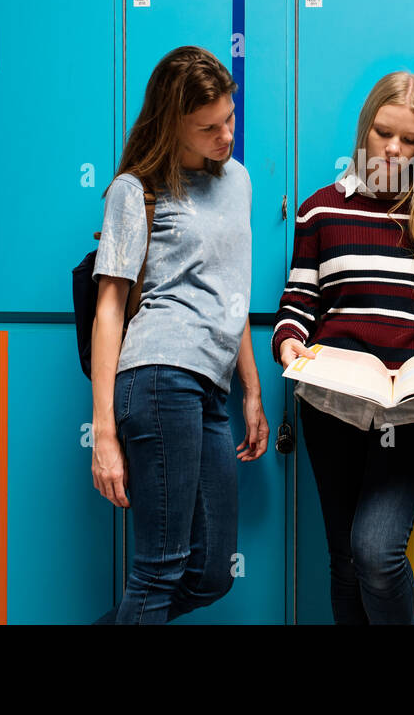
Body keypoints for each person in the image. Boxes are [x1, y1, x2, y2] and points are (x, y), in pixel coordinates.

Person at [273, 70, 414, 624]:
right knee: (345, 562)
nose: (395, 149)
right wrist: (288, 344)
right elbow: (299, 304)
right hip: (333, 403)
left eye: (410, 141)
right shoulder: (319, 210)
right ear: (364, 130)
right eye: (384, 133)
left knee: (376, 553)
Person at [90, 46, 268, 624]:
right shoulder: (135, 189)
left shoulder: (238, 181)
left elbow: (232, 291)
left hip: (211, 387)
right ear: (173, 124)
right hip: (159, 375)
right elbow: (109, 310)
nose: (226, 137)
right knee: (160, 568)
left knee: (212, 572)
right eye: (208, 127)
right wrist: (105, 434)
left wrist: (251, 388)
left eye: (229, 120)